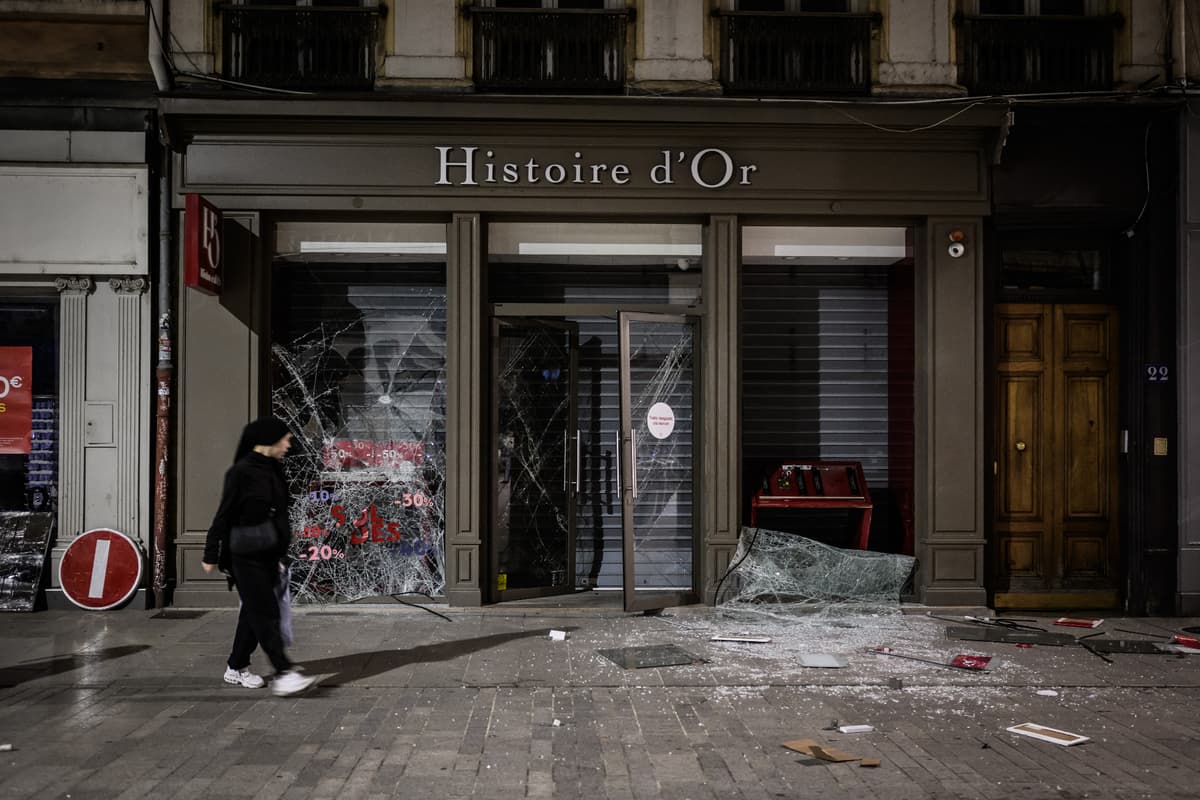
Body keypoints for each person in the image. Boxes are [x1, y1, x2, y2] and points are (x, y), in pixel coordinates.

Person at [202, 416, 316, 697]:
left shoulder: (274, 470)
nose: (289, 444)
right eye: (285, 438)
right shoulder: (239, 473)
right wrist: (211, 554)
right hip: (244, 555)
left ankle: (236, 666)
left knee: (254, 612)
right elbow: (223, 516)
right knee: (266, 613)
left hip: (268, 554)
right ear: (268, 440)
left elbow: (279, 514)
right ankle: (283, 672)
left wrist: (280, 554)